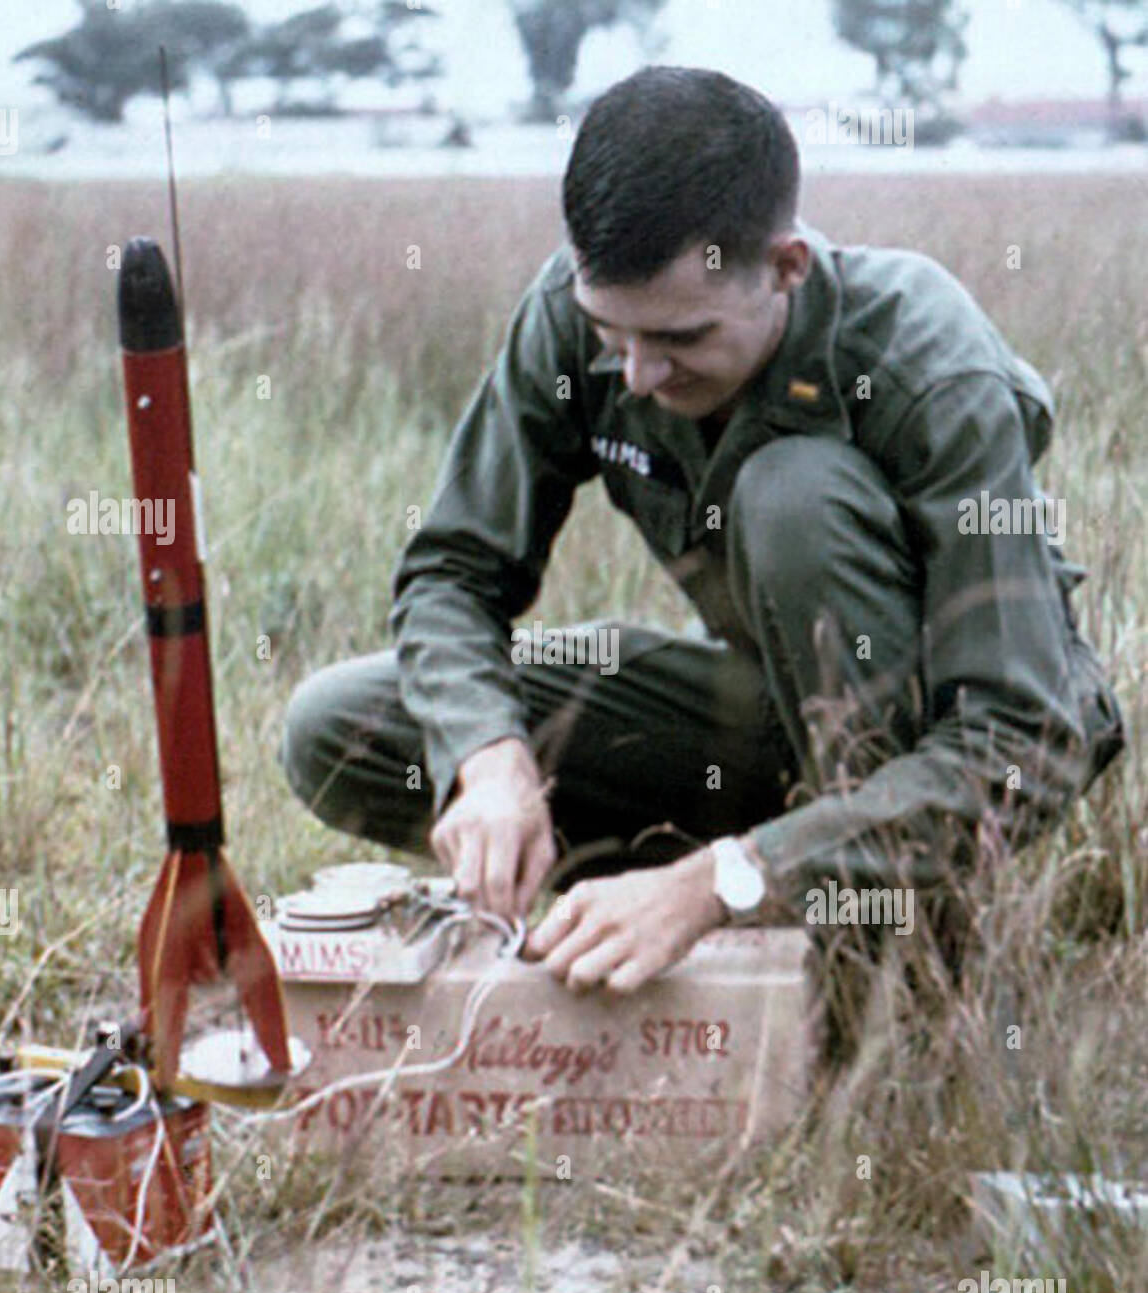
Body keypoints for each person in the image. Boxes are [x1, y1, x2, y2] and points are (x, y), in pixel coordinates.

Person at [280, 67, 1123, 1053]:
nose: (635, 374)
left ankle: (894, 996)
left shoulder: (931, 367)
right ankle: (669, 907)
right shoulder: (575, 316)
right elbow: (453, 573)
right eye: (611, 336)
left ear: (786, 268)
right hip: (763, 722)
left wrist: (726, 880)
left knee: (793, 495)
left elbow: (1021, 742)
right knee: (338, 726)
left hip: (934, 746)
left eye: (679, 338)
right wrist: (490, 760)